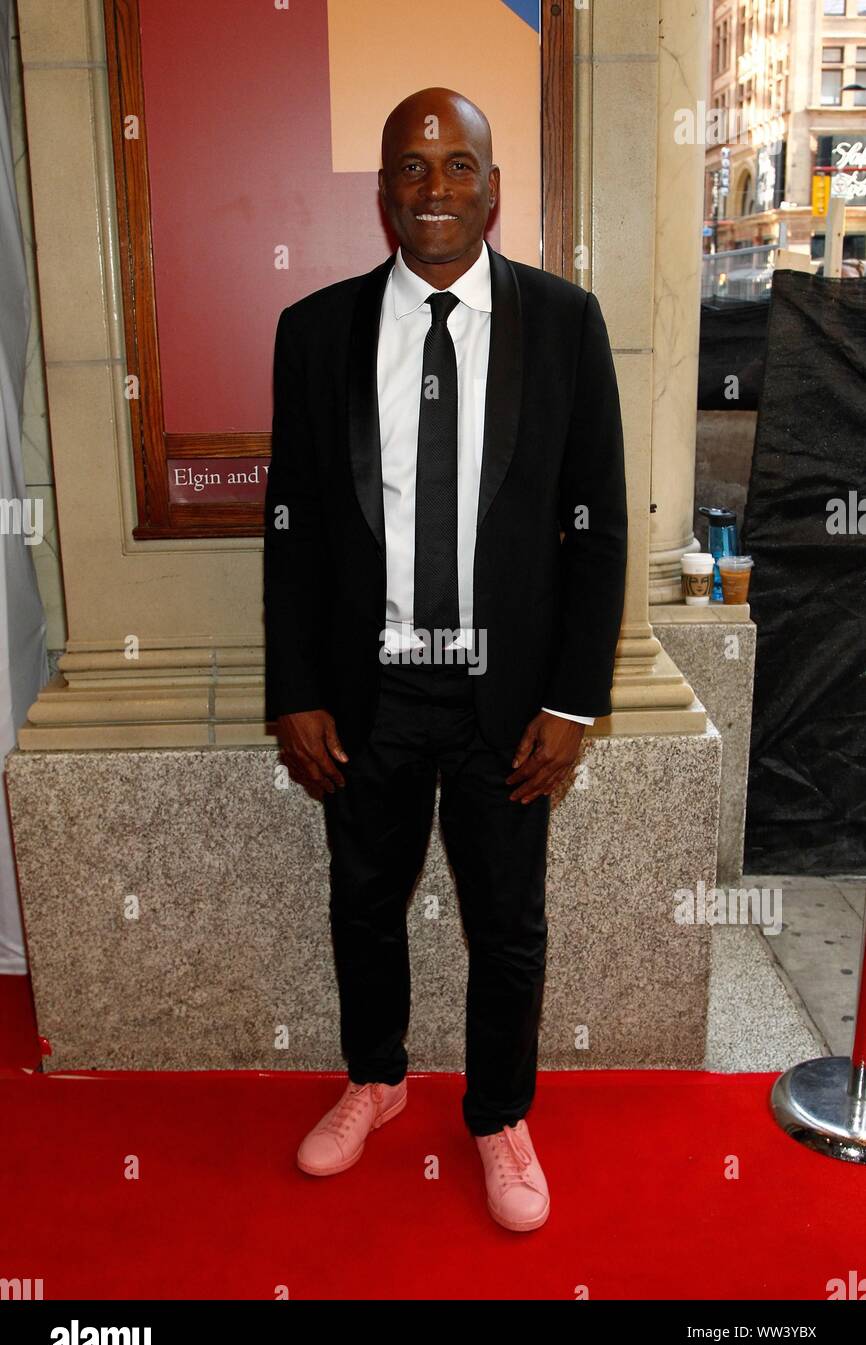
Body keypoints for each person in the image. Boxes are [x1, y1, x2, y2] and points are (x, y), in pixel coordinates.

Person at [263, 87, 627, 1233]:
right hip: (367, 692)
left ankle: (498, 1114)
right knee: (362, 902)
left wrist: (572, 701)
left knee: (506, 919)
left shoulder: (564, 325)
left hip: (507, 699)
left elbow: (597, 523)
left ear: (491, 188)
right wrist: (294, 689)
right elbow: (293, 525)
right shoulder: (314, 332)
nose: (434, 187)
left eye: (456, 164)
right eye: (410, 168)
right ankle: (375, 1075)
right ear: (381, 194)